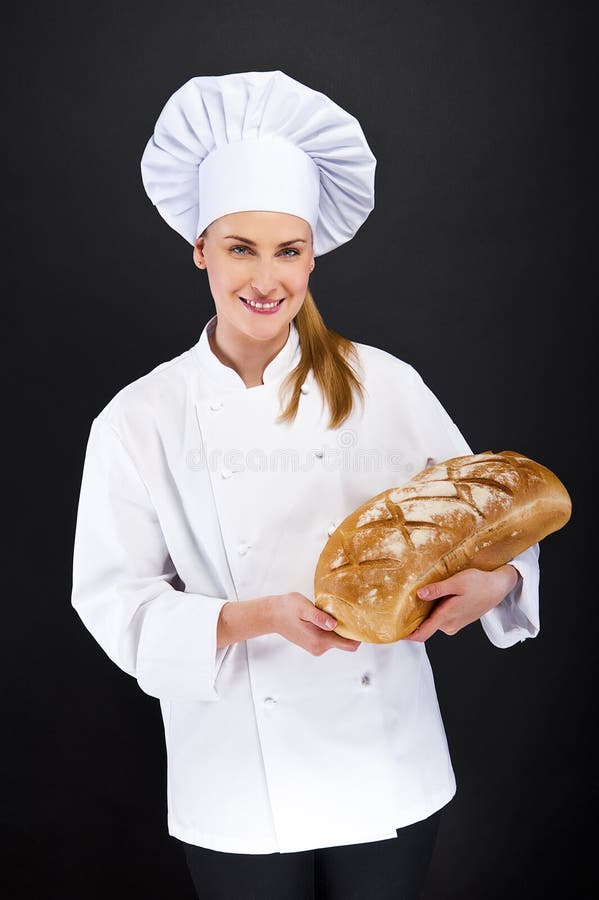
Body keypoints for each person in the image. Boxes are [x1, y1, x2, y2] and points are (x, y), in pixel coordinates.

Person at [71, 70, 540, 900]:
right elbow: (112, 601)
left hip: (385, 761)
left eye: (288, 250)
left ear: (312, 254)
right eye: (239, 248)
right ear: (199, 248)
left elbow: (492, 518)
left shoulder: (382, 383)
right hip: (234, 775)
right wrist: (255, 618)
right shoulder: (139, 417)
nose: (266, 279)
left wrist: (496, 583)